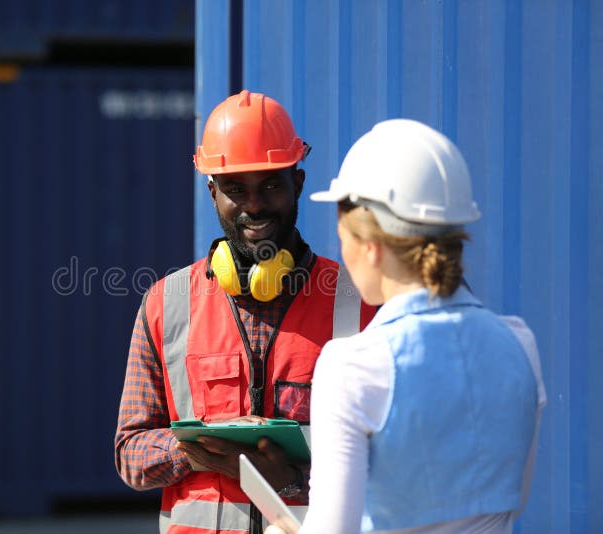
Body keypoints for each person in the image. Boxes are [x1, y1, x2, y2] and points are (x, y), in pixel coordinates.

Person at [265, 119, 547, 533]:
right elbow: (514, 501)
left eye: (343, 236)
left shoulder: (352, 366)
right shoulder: (520, 343)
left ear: (372, 247)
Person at [114, 90, 374, 534]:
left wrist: (292, 482)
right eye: (236, 189)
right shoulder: (166, 303)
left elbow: (392, 460)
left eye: (271, 184)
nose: (254, 205)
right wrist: (194, 450)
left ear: (298, 183)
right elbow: (130, 452)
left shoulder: (359, 302)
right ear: (213, 193)